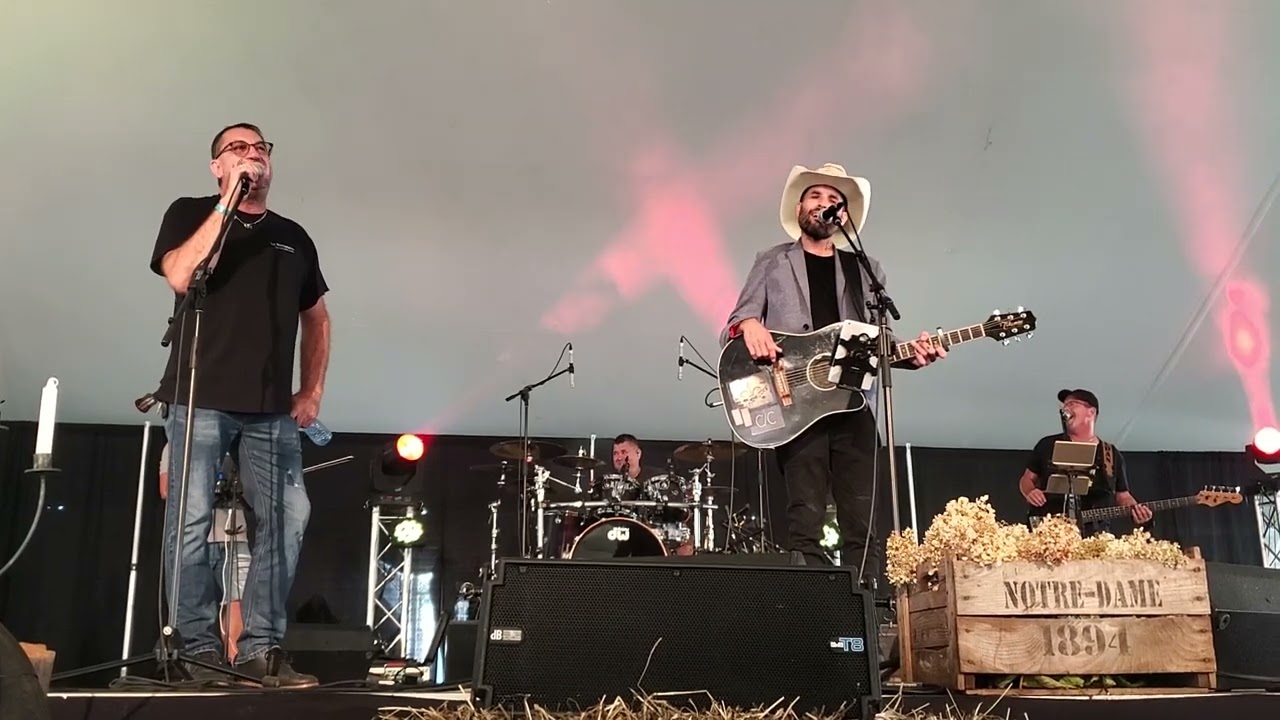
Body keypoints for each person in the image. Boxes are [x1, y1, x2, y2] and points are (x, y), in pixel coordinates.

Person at [150, 122, 330, 687]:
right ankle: (198, 649)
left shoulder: (293, 236)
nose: (253, 154)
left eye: (260, 147)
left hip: (271, 409)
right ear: (217, 166)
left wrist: (311, 390)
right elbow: (181, 275)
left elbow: (317, 317)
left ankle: (260, 649)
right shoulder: (189, 212)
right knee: (190, 520)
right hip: (200, 397)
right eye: (238, 148)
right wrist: (227, 204)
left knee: (288, 516)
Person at [719, 163, 946, 582]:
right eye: (815, 196)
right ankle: (814, 607)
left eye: (833, 200)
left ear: (843, 215)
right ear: (800, 208)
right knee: (804, 518)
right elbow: (734, 325)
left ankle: (867, 606)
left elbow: (879, 343)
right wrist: (749, 325)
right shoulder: (772, 261)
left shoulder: (866, 270)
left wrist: (912, 355)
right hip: (796, 405)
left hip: (853, 403)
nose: (823, 204)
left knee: (862, 521)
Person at [159, 443, 252, 664]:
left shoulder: (241, 447)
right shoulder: (178, 443)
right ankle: (202, 662)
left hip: (235, 537)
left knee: (240, 604)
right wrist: (207, 487)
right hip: (196, 542)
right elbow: (166, 490)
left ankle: (239, 665)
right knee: (197, 604)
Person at [1019, 389, 1152, 535]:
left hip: (1094, 535)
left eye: (1072, 404)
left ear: (1091, 412)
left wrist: (1137, 510)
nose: (1065, 409)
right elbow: (1027, 479)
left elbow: (1123, 496)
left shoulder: (1111, 454)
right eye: (1064, 406)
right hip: (1048, 531)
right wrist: (1030, 492)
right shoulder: (1047, 444)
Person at [609, 434, 693, 555]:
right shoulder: (611, 484)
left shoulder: (658, 479)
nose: (619, 457)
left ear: (638, 454)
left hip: (657, 535)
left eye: (623, 452)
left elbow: (678, 511)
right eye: (615, 453)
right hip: (621, 536)